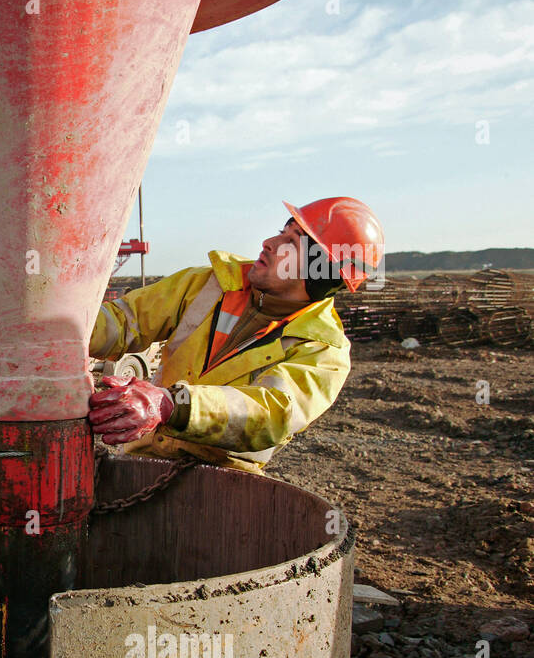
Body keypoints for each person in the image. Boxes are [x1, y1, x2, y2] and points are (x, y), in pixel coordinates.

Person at [87, 197, 385, 472]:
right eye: (280, 232)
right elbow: (124, 321)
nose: (269, 242)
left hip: (223, 484)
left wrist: (171, 405)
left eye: (291, 243)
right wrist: (62, 327)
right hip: (142, 459)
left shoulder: (322, 349)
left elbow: (272, 412)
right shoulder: (207, 284)